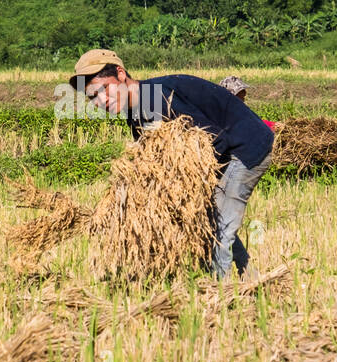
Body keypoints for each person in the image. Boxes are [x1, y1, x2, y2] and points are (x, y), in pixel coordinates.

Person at [70, 49, 273, 280]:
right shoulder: (135, 112)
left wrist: (183, 185)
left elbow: (214, 139)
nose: (101, 101)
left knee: (216, 229)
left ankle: (222, 298)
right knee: (209, 218)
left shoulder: (156, 99)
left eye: (104, 89)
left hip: (245, 147)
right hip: (227, 149)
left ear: (120, 74)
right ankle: (250, 280)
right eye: (92, 97)